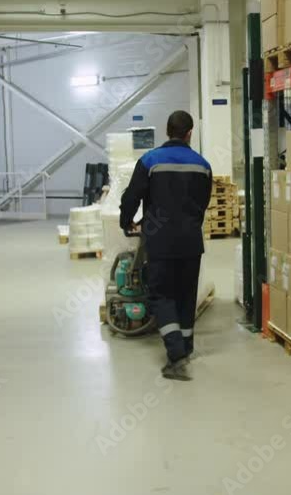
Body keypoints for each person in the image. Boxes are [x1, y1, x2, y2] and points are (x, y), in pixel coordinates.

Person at [120, 111, 212, 381]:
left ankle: (176, 356)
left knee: (162, 295)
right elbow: (202, 204)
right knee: (186, 295)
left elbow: (131, 196)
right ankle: (186, 347)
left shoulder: (150, 161)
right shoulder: (202, 165)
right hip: (191, 242)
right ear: (189, 133)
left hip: (159, 241)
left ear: (167, 130)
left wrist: (127, 222)